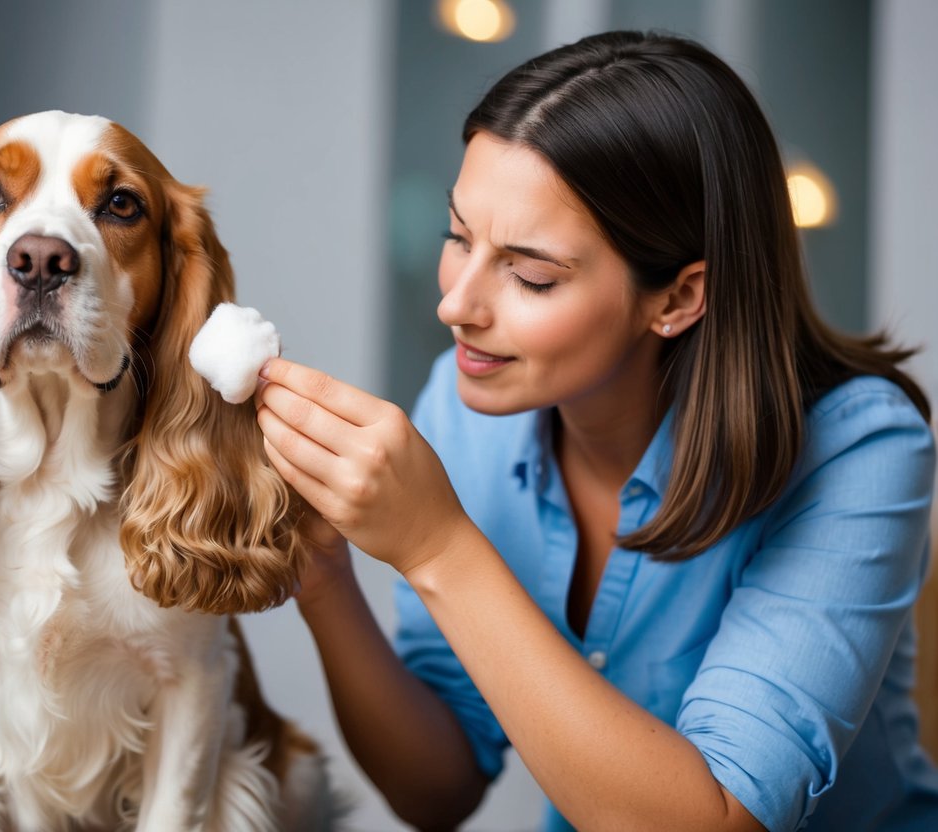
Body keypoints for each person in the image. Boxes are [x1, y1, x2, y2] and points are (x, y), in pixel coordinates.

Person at [254, 30, 938, 832]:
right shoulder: (466, 403)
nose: (455, 306)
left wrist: (435, 546)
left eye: (530, 274)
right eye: (457, 238)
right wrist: (323, 577)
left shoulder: (860, 451)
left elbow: (719, 820)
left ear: (678, 299)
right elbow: (435, 791)